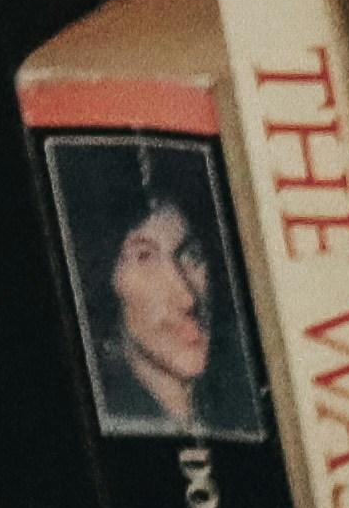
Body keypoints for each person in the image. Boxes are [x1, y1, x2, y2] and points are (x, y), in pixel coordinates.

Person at [59, 139, 260, 441]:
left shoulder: (245, 404)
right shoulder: (109, 417)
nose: (187, 297)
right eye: (144, 258)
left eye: (190, 255)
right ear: (105, 281)